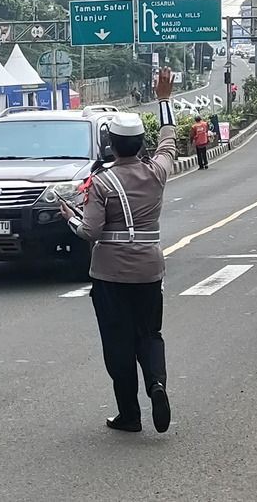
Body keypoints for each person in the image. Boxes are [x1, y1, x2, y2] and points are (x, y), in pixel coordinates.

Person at [60, 68, 179, 434]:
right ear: (142, 145)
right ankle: (156, 384)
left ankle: (129, 415)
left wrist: (70, 217)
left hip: (110, 276)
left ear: (110, 144)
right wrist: (164, 99)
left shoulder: (101, 182)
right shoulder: (157, 173)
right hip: (149, 271)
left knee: (118, 341)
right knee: (150, 333)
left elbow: (90, 231)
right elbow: (169, 140)